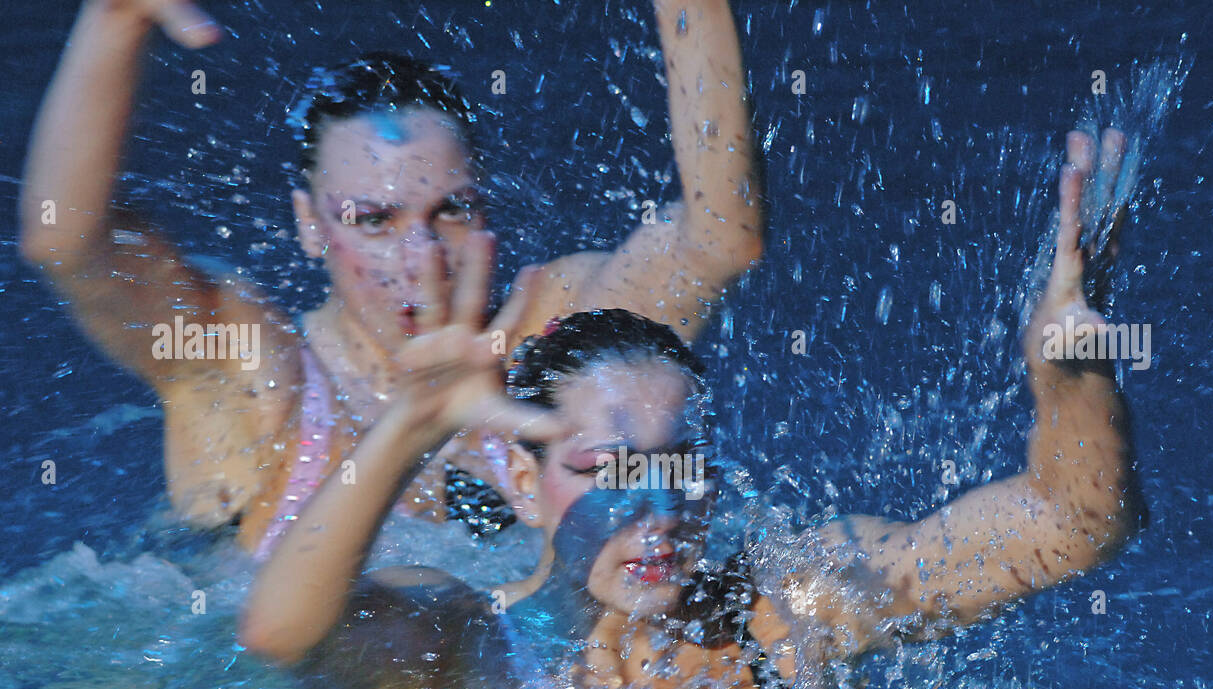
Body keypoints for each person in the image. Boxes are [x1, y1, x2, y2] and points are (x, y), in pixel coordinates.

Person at [238, 129, 1146, 689]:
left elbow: (1074, 524)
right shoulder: (465, 657)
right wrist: (407, 429)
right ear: (520, 479)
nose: (653, 511)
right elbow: (282, 631)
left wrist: (1072, 375)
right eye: (604, 473)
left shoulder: (798, 607)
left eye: (678, 469)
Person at [18, 0, 763, 558]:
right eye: (373, 220)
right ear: (310, 224)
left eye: (451, 213)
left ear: (486, 203)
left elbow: (720, 239)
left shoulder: (551, 340)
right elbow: (61, 237)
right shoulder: (251, 372)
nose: (422, 260)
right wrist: (112, 22)